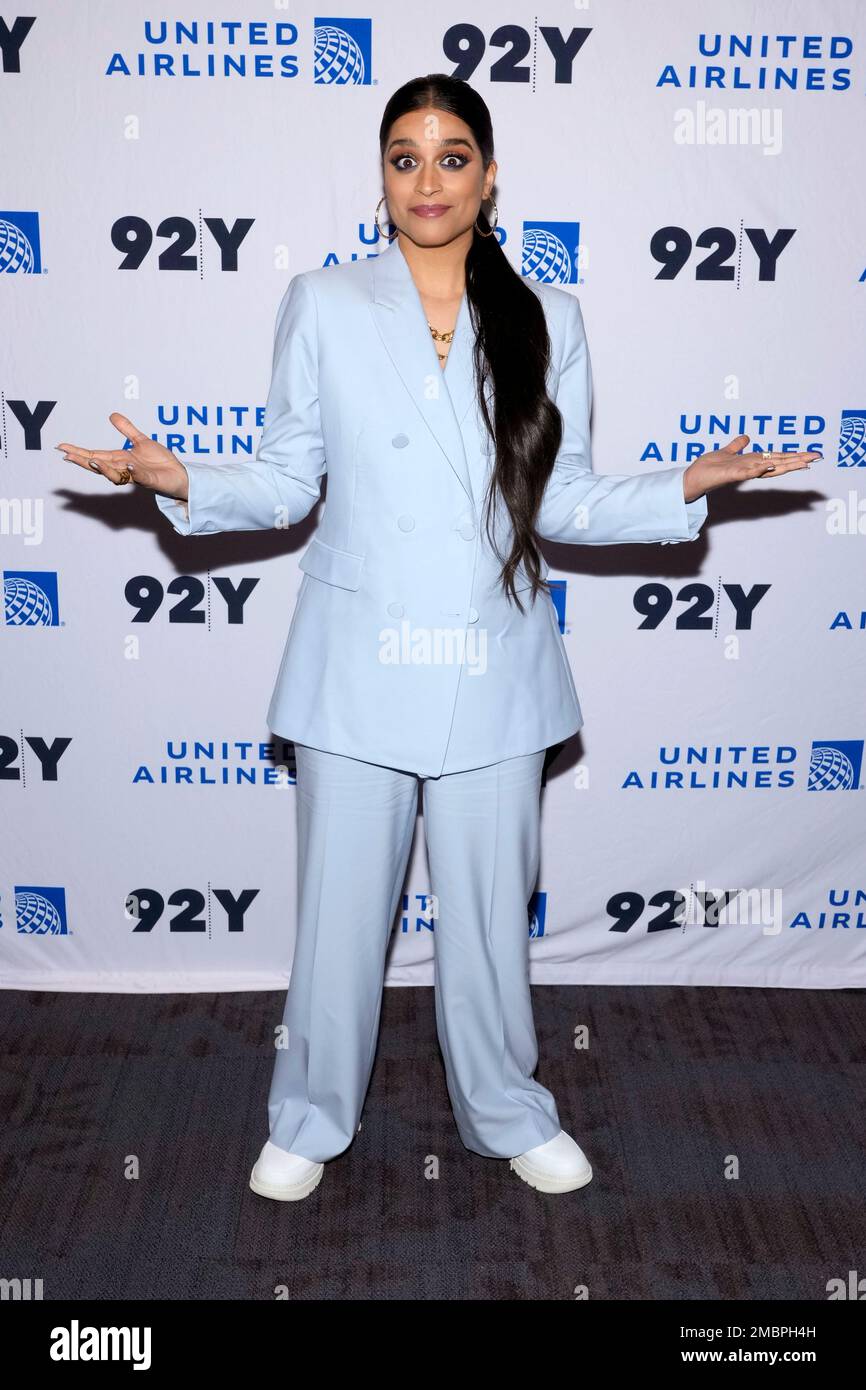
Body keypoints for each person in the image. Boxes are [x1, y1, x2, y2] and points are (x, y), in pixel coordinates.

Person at [57, 74, 819, 1201]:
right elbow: (282, 480)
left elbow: (559, 503)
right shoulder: (321, 301)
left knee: (483, 925)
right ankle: (308, 1117)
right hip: (355, 670)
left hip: (492, 666)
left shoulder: (544, 315)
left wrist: (682, 487)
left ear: (489, 173)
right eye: (405, 157)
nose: (428, 178)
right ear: (379, 175)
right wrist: (181, 480)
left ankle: (506, 1107)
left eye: (452, 156)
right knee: (336, 924)